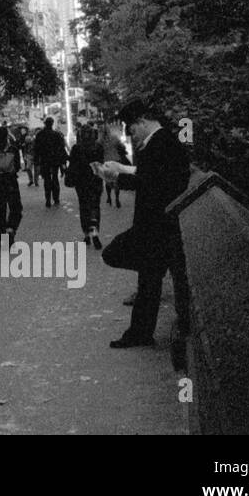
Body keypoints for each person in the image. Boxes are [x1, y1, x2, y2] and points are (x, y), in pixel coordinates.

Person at [100, 99, 192, 350]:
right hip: (158, 223)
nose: (131, 134)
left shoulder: (160, 143)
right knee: (149, 280)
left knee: (127, 263)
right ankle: (142, 332)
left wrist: (117, 177)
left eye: (131, 128)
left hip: (155, 224)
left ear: (142, 121)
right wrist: (123, 169)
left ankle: (143, 332)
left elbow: (152, 183)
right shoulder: (163, 142)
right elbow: (151, 175)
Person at [66, 124, 106, 249]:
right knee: (95, 206)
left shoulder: (76, 148)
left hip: (81, 182)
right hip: (95, 180)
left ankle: (86, 234)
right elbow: (102, 163)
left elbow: (72, 165)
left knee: (84, 206)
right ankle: (94, 230)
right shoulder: (98, 147)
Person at [34, 117, 68, 208]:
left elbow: (36, 149)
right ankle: (56, 198)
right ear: (52, 124)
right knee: (55, 178)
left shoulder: (40, 135)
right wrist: (63, 162)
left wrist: (36, 161)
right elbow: (61, 149)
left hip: (45, 161)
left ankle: (48, 199)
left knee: (47, 180)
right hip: (54, 161)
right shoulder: (56, 135)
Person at [102, 124, 130, 209]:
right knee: (116, 181)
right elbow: (122, 146)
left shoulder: (100, 140)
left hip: (106, 162)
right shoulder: (114, 138)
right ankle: (117, 198)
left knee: (107, 181)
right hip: (115, 161)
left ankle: (109, 197)